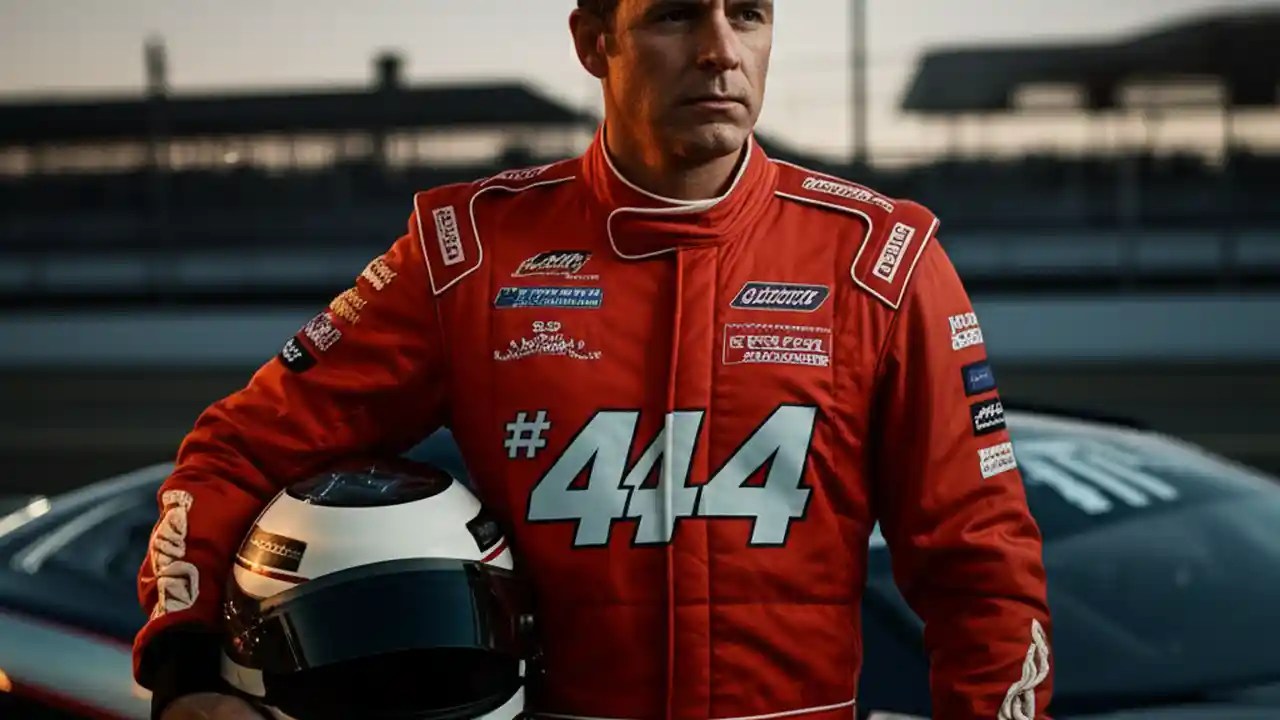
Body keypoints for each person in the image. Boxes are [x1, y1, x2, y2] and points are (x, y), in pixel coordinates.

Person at [137, 1, 1055, 719]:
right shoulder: (470, 254)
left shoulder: (881, 264)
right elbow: (234, 452)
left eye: (750, 12)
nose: (720, 50)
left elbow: (982, 569)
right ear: (591, 40)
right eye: (674, 15)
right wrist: (182, 665)